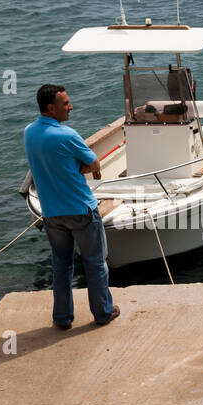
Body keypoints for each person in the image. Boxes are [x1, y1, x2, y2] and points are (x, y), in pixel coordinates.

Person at [24, 84, 118, 330]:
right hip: (80, 210)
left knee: (61, 265)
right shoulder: (67, 135)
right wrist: (82, 166)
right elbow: (94, 162)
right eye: (65, 103)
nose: (71, 107)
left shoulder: (28, 133)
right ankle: (103, 313)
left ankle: (63, 318)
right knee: (95, 262)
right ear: (50, 108)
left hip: (52, 213)